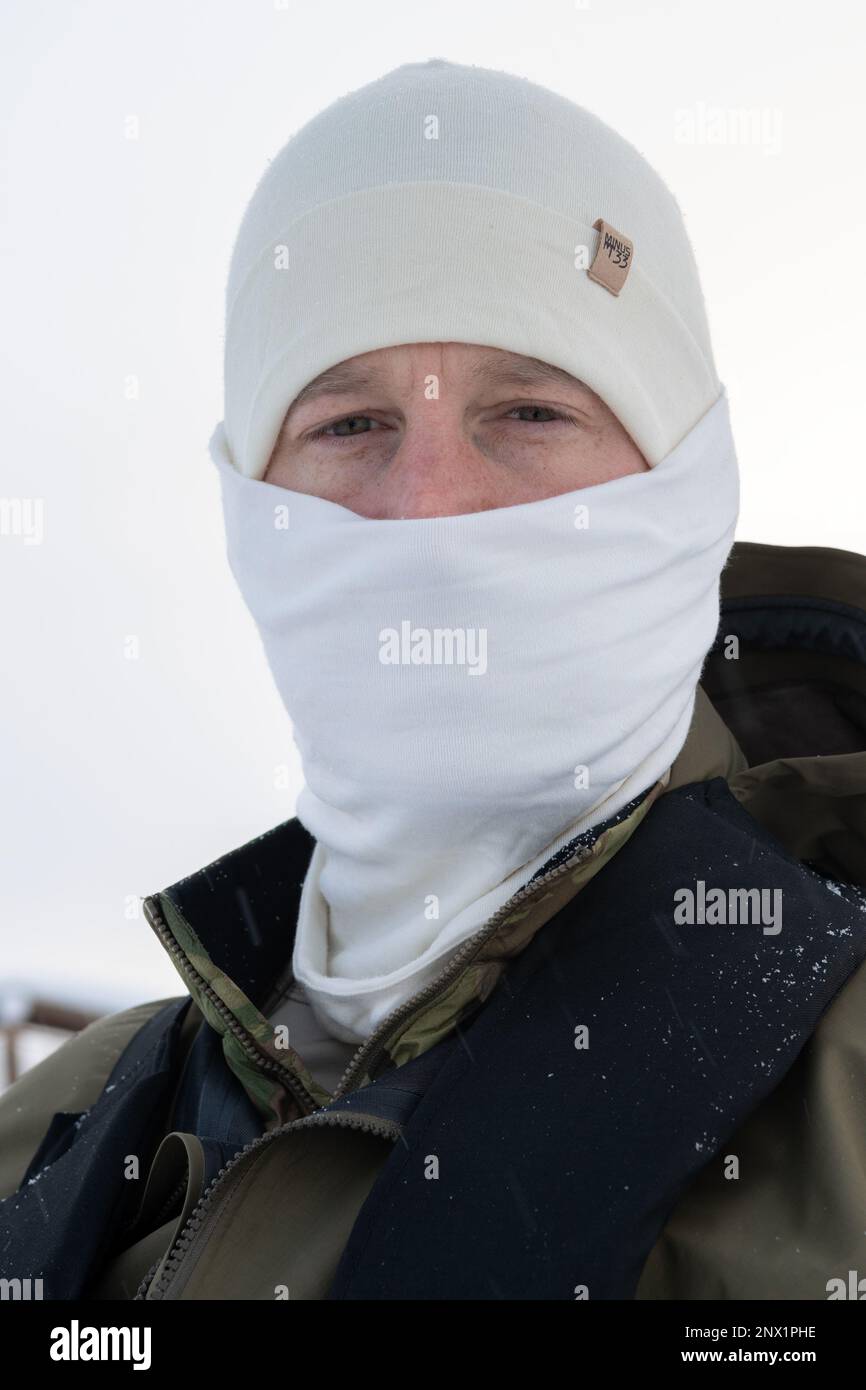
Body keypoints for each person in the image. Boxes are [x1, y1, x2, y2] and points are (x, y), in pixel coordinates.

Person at [2, 58, 865, 1303]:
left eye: (526, 410)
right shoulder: (67, 1134)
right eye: (347, 425)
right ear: (250, 507)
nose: (428, 511)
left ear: (685, 480)